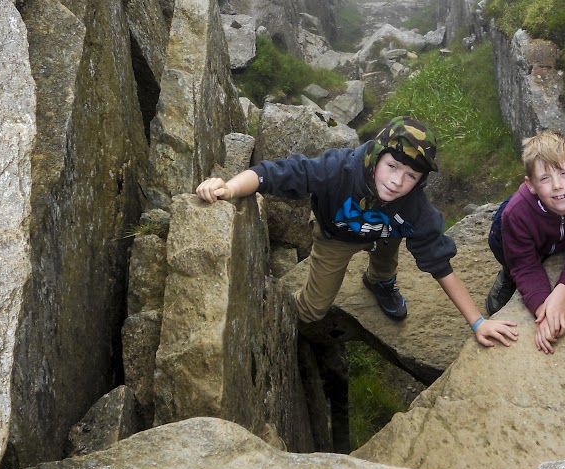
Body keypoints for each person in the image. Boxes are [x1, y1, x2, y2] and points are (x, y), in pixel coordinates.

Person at [196, 115, 519, 348]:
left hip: (383, 232)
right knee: (312, 309)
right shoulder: (338, 170)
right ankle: (275, 319)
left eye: (410, 176)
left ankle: (380, 282)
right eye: (392, 167)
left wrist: (478, 322)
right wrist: (230, 187)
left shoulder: (414, 208)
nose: (397, 181)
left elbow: (439, 264)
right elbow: (275, 174)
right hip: (335, 234)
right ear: (376, 157)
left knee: (390, 243)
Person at [485, 130, 565, 354]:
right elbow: (525, 265)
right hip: (508, 237)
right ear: (530, 185)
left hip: (561, 234)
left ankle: (553, 246)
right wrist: (543, 309)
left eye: (564, 173)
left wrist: (561, 294)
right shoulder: (516, 214)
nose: (557, 185)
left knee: (558, 248)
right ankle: (507, 277)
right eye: (544, 178)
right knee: (514, 262)